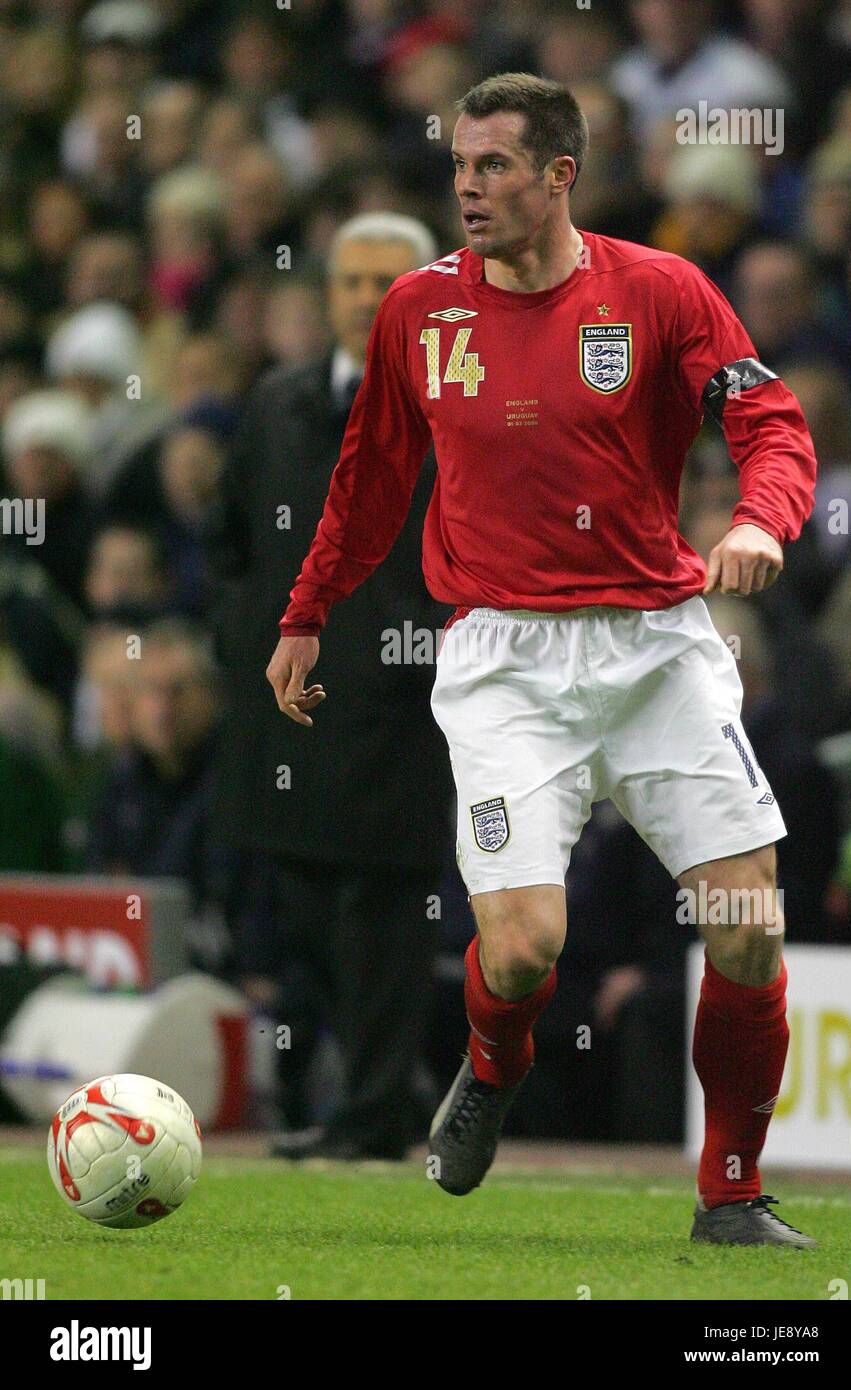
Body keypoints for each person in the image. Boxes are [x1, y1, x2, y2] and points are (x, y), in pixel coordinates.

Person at [267, 74, 819, 1247]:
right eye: (459, 167)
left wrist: (762, 516)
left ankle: (728, 1191)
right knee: (521, 950)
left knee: (743, 922)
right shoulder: (419, 312)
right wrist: (306, 606)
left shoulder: (660, 290)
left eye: (494, 168)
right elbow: (369, 475)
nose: (466, 188)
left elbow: (765, 419)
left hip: (654, 645)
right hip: (504, 657)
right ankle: (491, 1059)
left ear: (559, 174)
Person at [215, 212, 453, 1157]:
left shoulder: (454, 405)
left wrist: (427, 658)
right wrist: (245, 641)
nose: (364, 298)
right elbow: (231, 541)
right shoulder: (277, 402)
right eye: (350, 281)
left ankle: (373, 1110)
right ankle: (373, 1106)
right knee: (309, 907)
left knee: (385, 919)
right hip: (289, 714)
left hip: (401, 711)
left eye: (384, 280)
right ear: (326, 293)